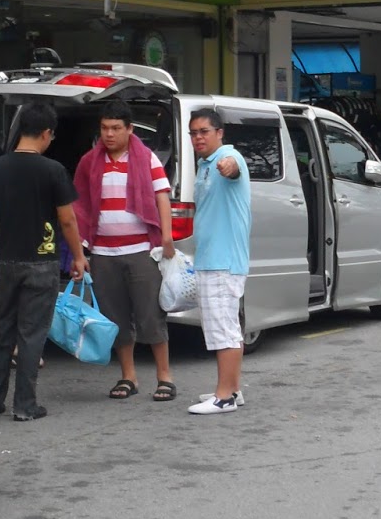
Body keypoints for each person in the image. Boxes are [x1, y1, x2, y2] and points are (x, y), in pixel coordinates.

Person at [0, 100, 85, 422]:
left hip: (7, 261)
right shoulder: (53, 170)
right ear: (47, 133)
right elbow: (67, 221)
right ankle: (25, 404)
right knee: (32, 334)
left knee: (4, 331)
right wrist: (78, 256)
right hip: (42, 262)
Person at [73, 99, 177, 402]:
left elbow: (162, 197)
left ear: (130, 129)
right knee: (115, 317)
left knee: (150, 315)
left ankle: (164, 377)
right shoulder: (89, 162)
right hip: (104, 253)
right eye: (105, 128)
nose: (109, 134)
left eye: (116, 128)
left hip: (141, 250)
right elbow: (79, 207)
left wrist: (166, 237)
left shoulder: (147, 160)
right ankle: (128, 377)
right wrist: (81, 249)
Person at [186, 106, 252, 417]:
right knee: (225, 328)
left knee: (223, 330)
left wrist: (228, 167)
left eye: (204, 132)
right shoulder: (204, 164)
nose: (198, 138)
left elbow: (233, 167)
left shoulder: (228, 157)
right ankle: (232, 389)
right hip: (212, 259)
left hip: (222, 263)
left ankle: (223, 396)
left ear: (220, 133)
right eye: (193, 133)